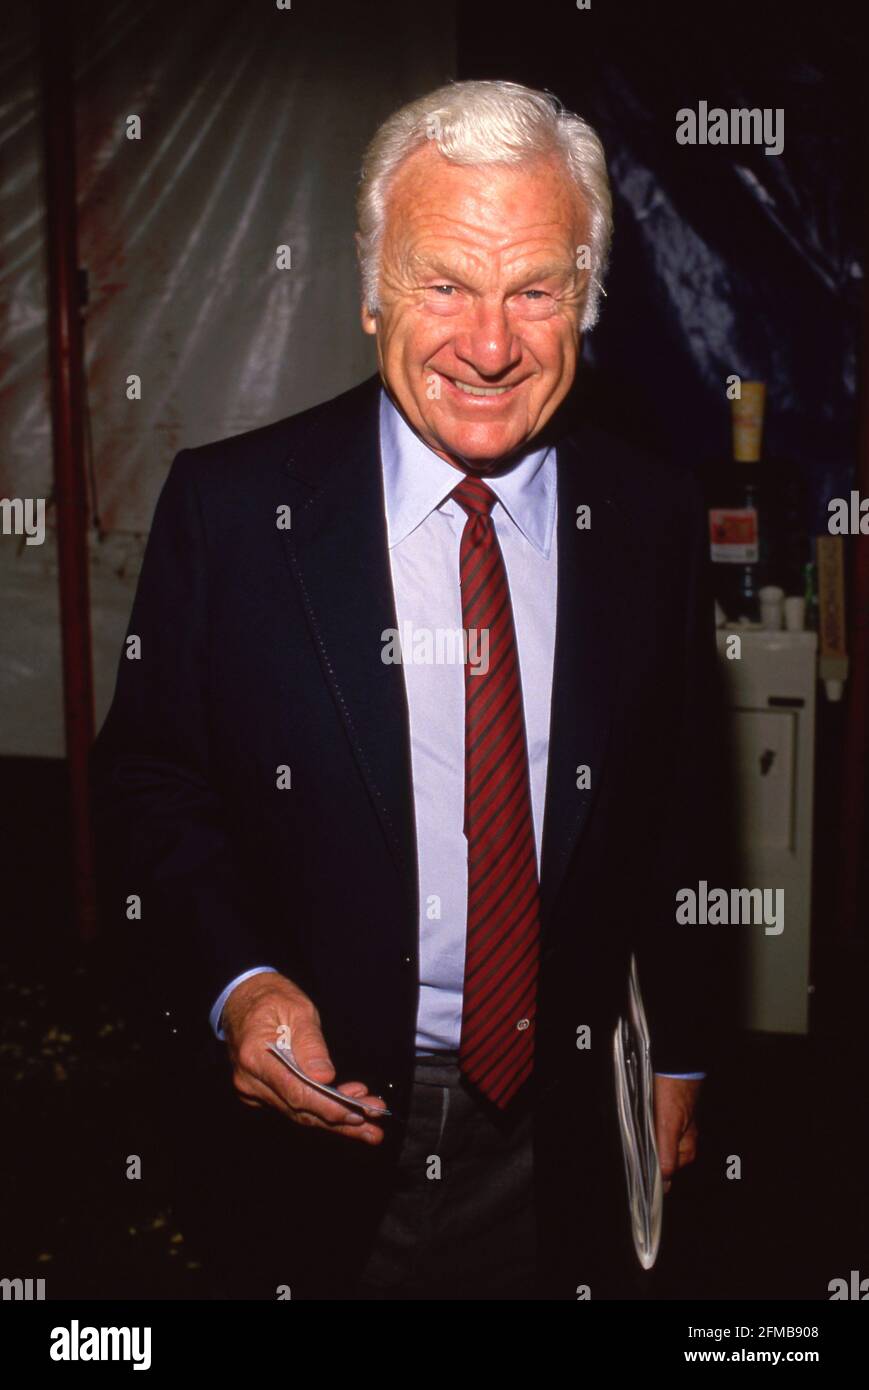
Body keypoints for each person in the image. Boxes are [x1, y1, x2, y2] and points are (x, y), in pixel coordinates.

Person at [93, 79, 725, 1301]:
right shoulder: (231, 513)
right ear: (372, 284)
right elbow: (150, 780)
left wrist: (682, 1049)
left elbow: (680, 805)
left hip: (571, 1126)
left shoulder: (648, 518)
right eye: (444, 283)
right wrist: (239, 984)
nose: (488, 346)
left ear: (585, 300)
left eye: (534, 289)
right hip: (321, 1127)